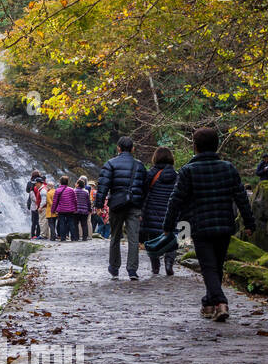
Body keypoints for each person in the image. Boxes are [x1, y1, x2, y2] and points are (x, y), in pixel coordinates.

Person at [163, 126, 256, 322]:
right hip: (224, 224)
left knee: (208, 267)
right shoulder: (228, 168)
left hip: (200, 225)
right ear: (216, 146)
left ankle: (220, 302)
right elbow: (241, 198)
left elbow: (176, 200)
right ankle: (208, 303)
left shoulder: (188, 171)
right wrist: (249, 223)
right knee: (217, 265)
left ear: (195, 147)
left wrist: (167, 225)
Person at [95, 135, 150, 280]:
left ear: (118, 148)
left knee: (115, 236)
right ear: (133, 149)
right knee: (133, 238)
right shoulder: (140, 166)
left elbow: (103, 185)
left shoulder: (110, 164)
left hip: (116, 205)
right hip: (134, 206)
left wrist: (99, 205)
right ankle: (132, 270)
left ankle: (114, 267)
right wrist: (143, 208)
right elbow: (145, 188)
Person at [139, 147, 179, 276]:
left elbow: (143, 193)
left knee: (153, 238)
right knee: (171, 237)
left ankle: (155, 267)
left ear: (155, 158)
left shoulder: (150, 174)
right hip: (171, 211)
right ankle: (169, 263)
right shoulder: (177, 175)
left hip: (152, 211)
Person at [52, 176, 78, 241]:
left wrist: (53, 210)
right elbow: (75, 200)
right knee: (71, 223)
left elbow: (55, 201)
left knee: (62, 224)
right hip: (70, 209)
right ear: (67, 182)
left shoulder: (57, 190)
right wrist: (75, 209)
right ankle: (73, 238)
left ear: (60, 182)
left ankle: (63, 238)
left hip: (61, 210)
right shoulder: (71, 190)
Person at [26, 171, 43, 239]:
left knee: (33, 221)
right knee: (39, 220)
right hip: (39, 203)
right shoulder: (41, 181)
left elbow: (27, 190)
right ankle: (38, 234)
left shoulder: (29, 182)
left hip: (32, 203)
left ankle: (33, 235)